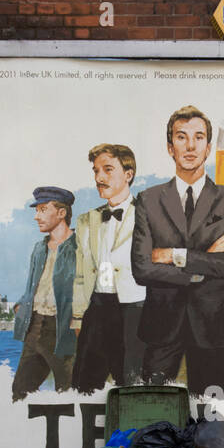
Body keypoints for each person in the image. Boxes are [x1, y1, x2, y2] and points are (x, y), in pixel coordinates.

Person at [131, 105, 224, 396]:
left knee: (209, 414)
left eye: (199, 137)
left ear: (208, 147)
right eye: (181, 137)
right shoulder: (148, 199)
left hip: (211, 325)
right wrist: (204, 264)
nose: (190, 146)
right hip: (161, 325)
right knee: (152, 407)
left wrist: (173, 255)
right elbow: (142, 268)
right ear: (170, 147)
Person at [72, 143, 146, 392]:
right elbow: (80, 275)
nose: (99, 178)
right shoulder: (86, 220)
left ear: (128, 174)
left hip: (135, 309)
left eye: (107, 169)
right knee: (84, 386)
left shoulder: (148, 214)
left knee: (132, 386)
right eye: (96, 171)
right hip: (97, 309)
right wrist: (78, 318)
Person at [12, 186, 80, 400]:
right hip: (34, 326)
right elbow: (33, 285)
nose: (36, 216)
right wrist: (20, 305)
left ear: (61, 213)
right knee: (20, 392)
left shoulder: (80, 247)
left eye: (42, 210)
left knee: (68, 391)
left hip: (63, 328)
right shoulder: (39, 248)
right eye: (36, 210)